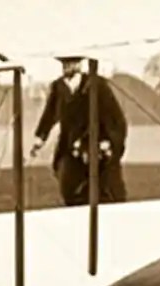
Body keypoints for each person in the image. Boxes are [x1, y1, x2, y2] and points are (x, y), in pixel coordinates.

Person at [31, 56, 129, 206]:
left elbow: (115, 117)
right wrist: (40, 138)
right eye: (65, 64)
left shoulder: (97, 85)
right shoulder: (58, 87)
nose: (68, 67)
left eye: (71, 63)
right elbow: (49, 114)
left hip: (97, 144)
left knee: (106, 187)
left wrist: (109, 143)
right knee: (69, 185)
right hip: (70, 146)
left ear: (78, 64)